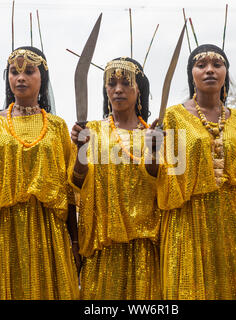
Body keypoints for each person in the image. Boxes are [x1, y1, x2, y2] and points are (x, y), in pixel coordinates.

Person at [155, 44, 236, 299]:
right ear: (192, 74)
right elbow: (162, 173)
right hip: (188, 217)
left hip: (232, 219)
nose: (209, 70)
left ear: (226, 73)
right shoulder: (172, 117)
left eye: (217, 65)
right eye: (201, 65)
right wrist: (154, 148)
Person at [0, 46, 80, 299]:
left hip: (48, 229)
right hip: (4, 230)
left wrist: (75, 240)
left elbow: (70, 192)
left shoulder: (57, 126)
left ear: (43, 78)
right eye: (14, 72)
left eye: (29, 71)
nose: (21, 78)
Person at [69, 57, 161, 300]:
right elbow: (77, 182)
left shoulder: (153, 133)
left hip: (145, 244)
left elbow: (162, 185)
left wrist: (154, 150)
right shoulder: (92, 130)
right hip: (103, 244)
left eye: (126, 82)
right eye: (111, 83)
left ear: (139, 88)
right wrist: (80, 150)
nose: (118, 89)